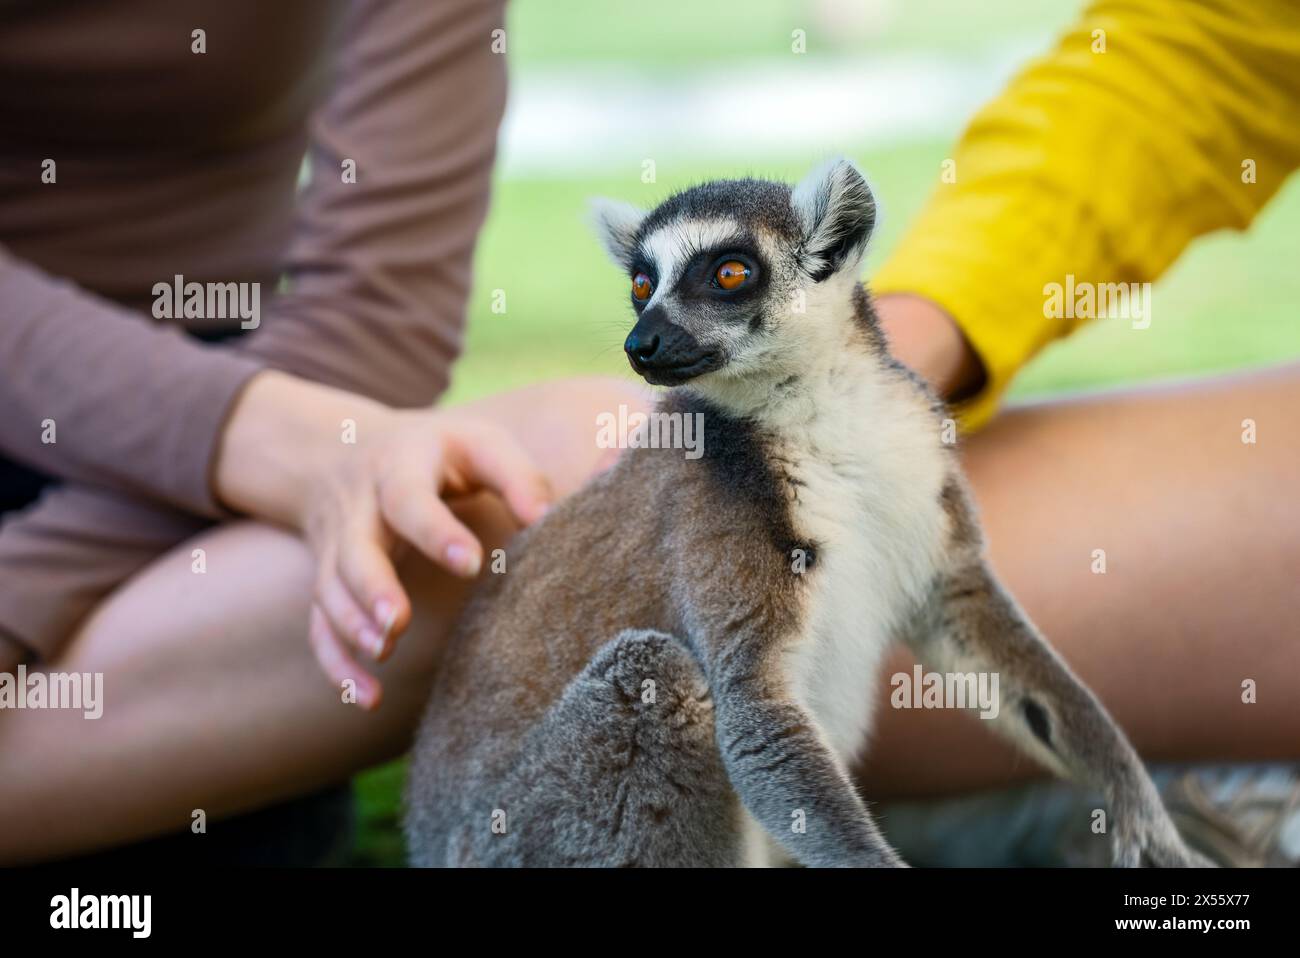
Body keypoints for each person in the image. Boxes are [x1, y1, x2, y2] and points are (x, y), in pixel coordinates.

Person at [0, 0, 1296, 865]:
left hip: (262, 420)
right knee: (573, 561)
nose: (658, 333)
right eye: (654, 293)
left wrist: (892, 344)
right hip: (232, 474)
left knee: (501, 520)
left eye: (719, 288)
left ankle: (1091, 799)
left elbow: (368, 311)